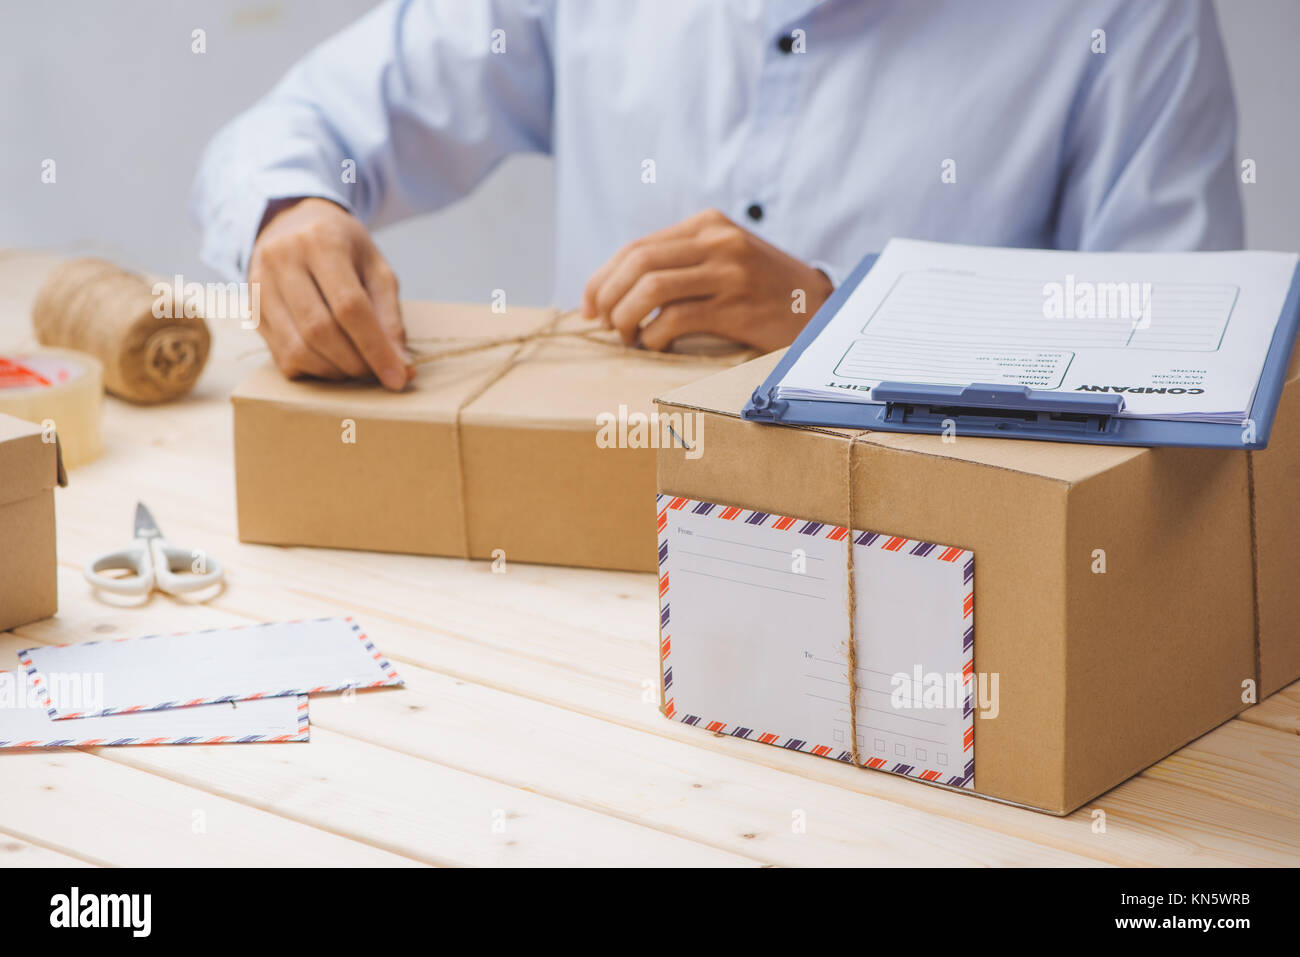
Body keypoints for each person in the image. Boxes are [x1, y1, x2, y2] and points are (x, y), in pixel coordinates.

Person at [191, 0, 1243, 391]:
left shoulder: (1126, 20)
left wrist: (840, 319)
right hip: (587, 565)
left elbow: (1188, 360)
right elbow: (297, 130)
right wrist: (293, 215)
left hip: (948, 608)